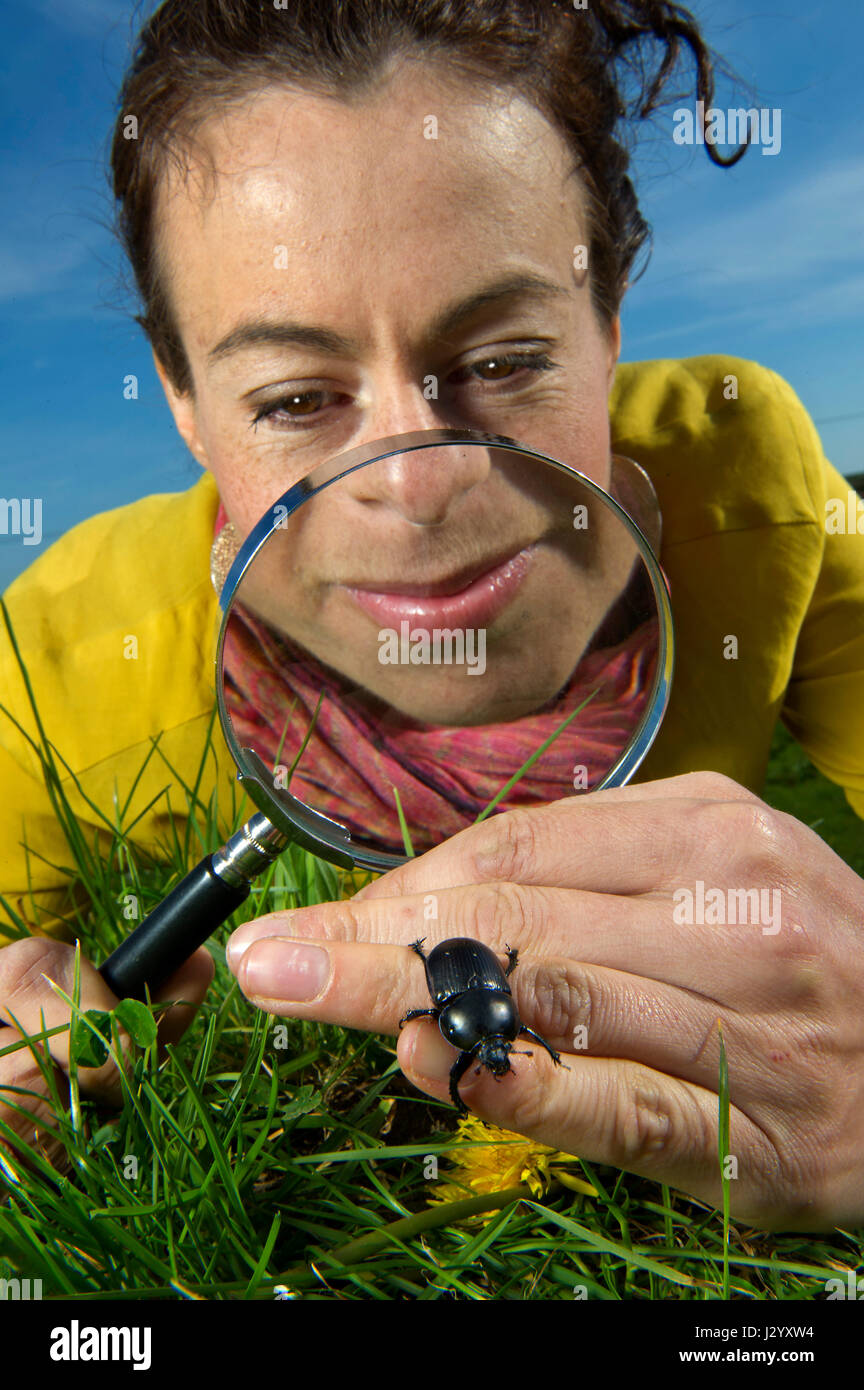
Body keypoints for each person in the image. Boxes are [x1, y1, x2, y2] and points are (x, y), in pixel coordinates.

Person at [1, 0, 862, 1229]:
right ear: (185, 402)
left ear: (609, 324)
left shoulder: (756, 484)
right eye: (297, 396)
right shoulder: (59, 656)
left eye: (506, 361)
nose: (416, 482)